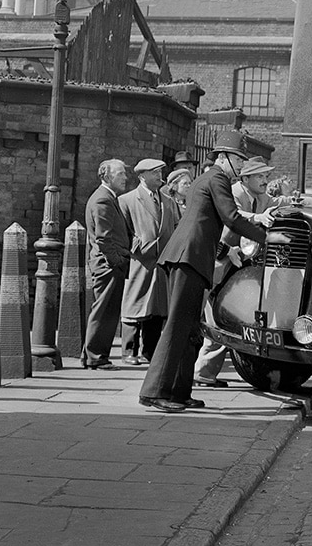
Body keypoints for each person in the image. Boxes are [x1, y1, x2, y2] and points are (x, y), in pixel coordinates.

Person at [139, 141, 270, 413]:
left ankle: (179, 392)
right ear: (224, 157)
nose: (242, 166)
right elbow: (231, 218)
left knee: (190, 330)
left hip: (192, 259)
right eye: (239, 159)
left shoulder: (208, 178)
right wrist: (267, 238)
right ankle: (154, 392)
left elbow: (204, 223)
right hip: (187, 259)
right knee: (177, 327)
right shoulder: (217, 178)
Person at [193, 156, 279, 388]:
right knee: (211, 319)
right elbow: (233, 215)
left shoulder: (262, 196)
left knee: (224, 318)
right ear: (246, 178)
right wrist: (257, 218)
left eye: (266, 176)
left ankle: (203, 373)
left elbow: (283, 200)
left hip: (238, 266)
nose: (265, 180)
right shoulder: (233, 192)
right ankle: (195, 372)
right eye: (260, 176)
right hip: (217, 261)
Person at [117, 159, 179, 365]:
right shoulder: (127, 200)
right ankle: (128, 351)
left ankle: (149, 351)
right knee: (135, 304)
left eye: (160, 172)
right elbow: (122, 231)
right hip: (141, 260)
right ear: (142, 176)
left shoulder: (168, 201)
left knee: (157, 306)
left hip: (162, 260)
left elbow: (176, 227)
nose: (160, 176)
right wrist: (138, 246)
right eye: (155, 173)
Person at [81, 159, 133, 370]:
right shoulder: (103, 200)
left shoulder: (109, 198)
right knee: (104, 310)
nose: (125, 178)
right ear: (107, 176)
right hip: (108, 265)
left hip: (110, 263)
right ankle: (95, 356)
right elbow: (103, 238)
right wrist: (117, 261)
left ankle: (94, 354)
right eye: (120, 174)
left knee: (107, 310)